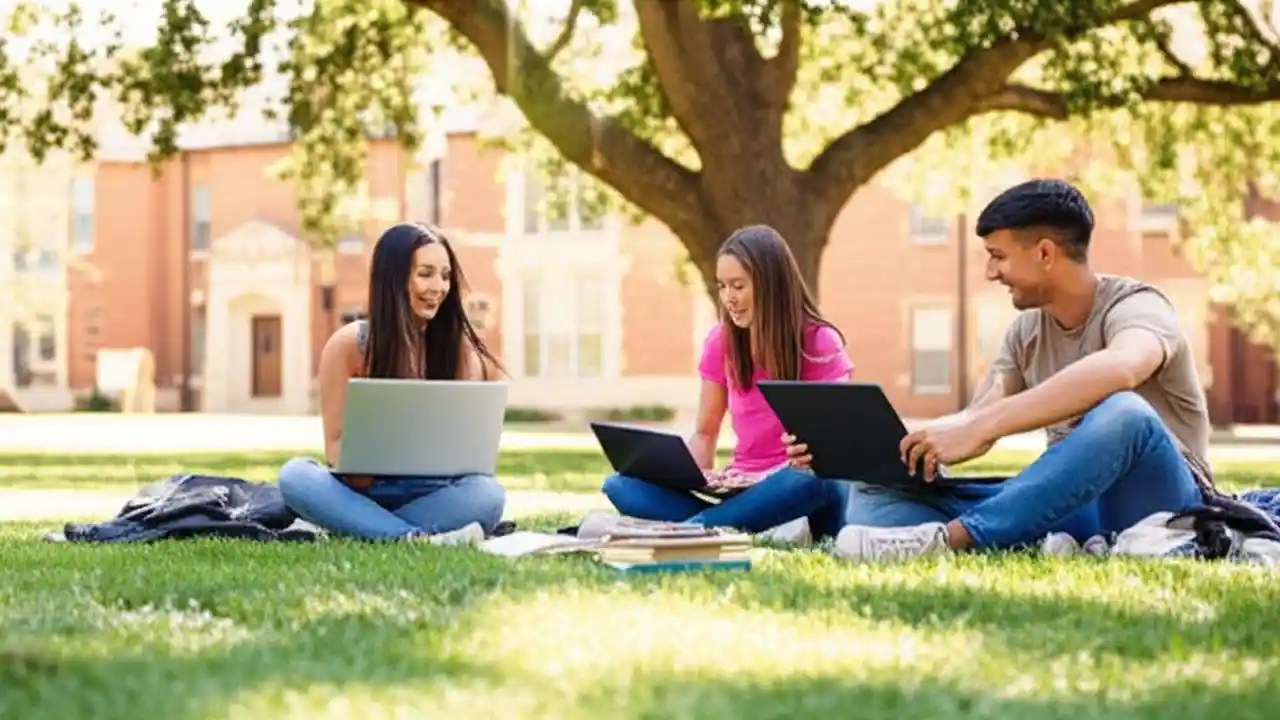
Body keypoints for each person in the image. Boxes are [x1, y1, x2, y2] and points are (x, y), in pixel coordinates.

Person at [784, 179, 1215, 561]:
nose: (991, 272)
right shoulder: (1027, 332)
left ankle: (954, 539)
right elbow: (978, 417)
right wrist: (882, 445)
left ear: (1044, 253)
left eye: (998, 256)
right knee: (874, 495)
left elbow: (1122, 366)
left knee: (1126, 413)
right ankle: (1049, 537)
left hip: (1159, 502)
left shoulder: (1138, 305)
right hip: (1069, 503)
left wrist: (984, 425)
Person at [601, 224, 854, 540]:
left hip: (798, 487)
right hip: (741, 488)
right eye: (722, 286)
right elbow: (705, 433)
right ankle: (740, 524)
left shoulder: (820, 342)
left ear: (771, 285)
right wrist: (685, 477)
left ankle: (691, 530)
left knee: (813, 479)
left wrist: (810, 453)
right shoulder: (720, 342)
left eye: (738, 286)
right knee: (621, 485)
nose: (728, 298)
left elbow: (842, 445)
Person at [278, 222, 507, 543]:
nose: (439, 287)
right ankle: (410, 537)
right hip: (362, 490)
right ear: (394, 278)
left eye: (445, 276)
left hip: (432, 494)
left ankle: (362, 527)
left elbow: (465, 453)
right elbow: (334, 449)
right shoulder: (349, 346)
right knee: (296, 476)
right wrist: (365, 461)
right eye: (425, 274)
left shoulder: (456, 350)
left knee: (488, 494)